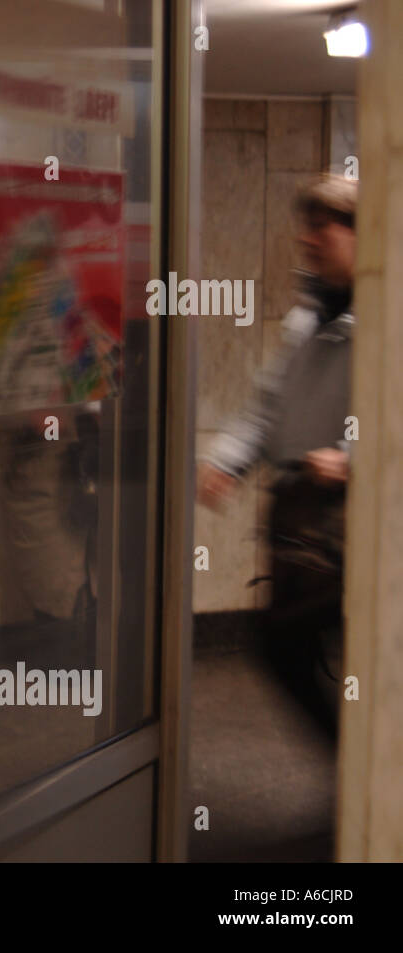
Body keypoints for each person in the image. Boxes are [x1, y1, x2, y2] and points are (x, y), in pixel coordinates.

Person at [197, 173, 356, 738]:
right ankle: (354, 772)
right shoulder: (306, 322)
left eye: (322, 229)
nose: (308, 241)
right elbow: (266, 407)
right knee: (283, 647)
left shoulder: (387, 327)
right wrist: (228, 459)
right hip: (308, 526)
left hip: (360, 526)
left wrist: (351, 460)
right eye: (306, 229)